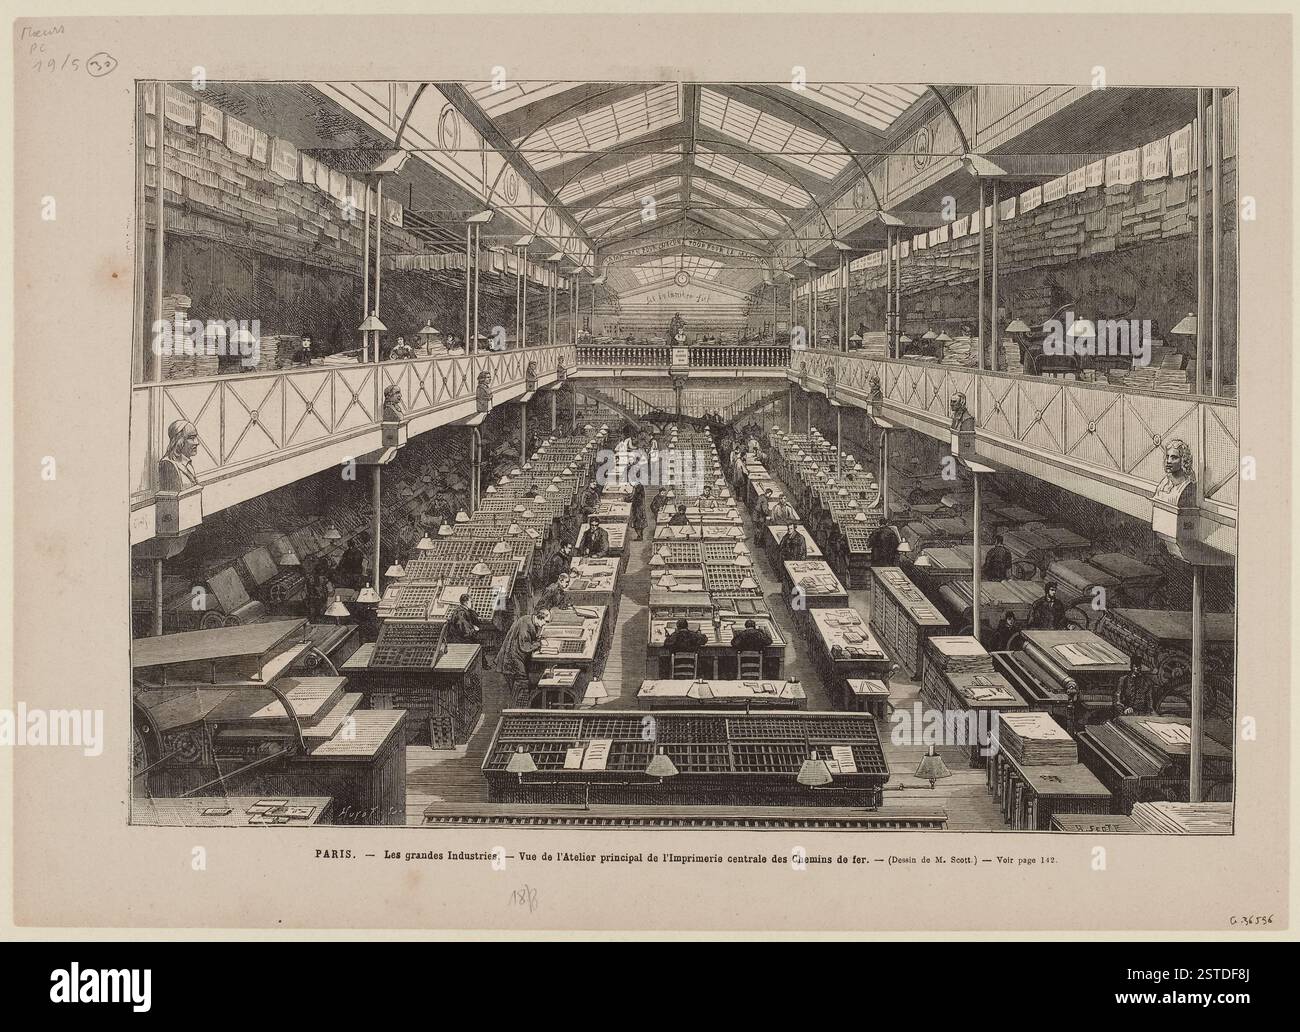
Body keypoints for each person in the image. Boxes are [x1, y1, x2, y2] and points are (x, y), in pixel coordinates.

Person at [495, 607, 550, 704]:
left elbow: (528, 638)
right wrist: (539, 643)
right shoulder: (525, 624)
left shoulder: (529, 619)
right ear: (540, 618)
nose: (545, 624)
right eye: (545, 621)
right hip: (512, 658)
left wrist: (537, 639)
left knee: (519, 685)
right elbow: (525, 647)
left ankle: (520, 702)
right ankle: (519, 705)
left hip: (516, 656)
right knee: (521, 682)